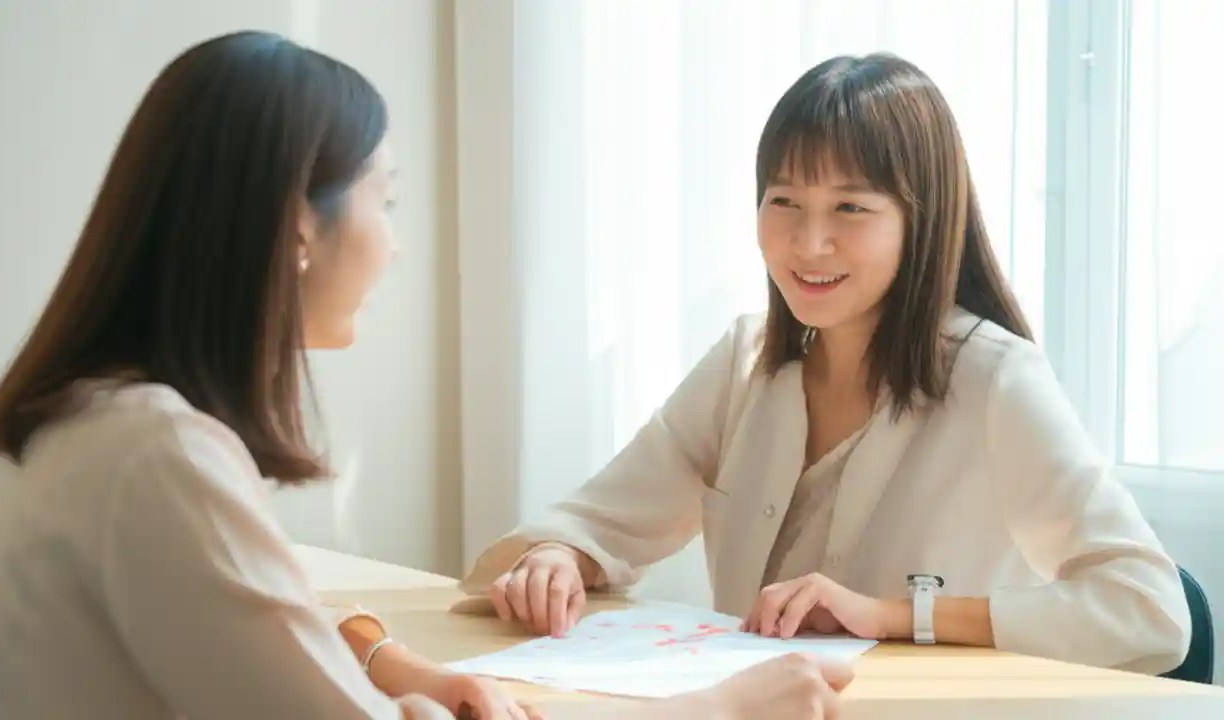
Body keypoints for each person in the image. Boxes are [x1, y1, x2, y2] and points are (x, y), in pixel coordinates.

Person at [0, 31, 850, 720]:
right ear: (300, 228)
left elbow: (247, 623)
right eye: (385, 198)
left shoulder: (93, 419)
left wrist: (397, 674)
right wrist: (720, 708)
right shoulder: (159, 453)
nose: (393, 240)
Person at [463, 53, 1193, 676]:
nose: (809, 243)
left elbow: (1149, 611)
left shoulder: (995, 377)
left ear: (922, 218)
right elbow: (605, 518)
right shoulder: (745, 363)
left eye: (850, 208)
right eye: (784, 201)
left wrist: (892, 616)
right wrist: (560, 556)